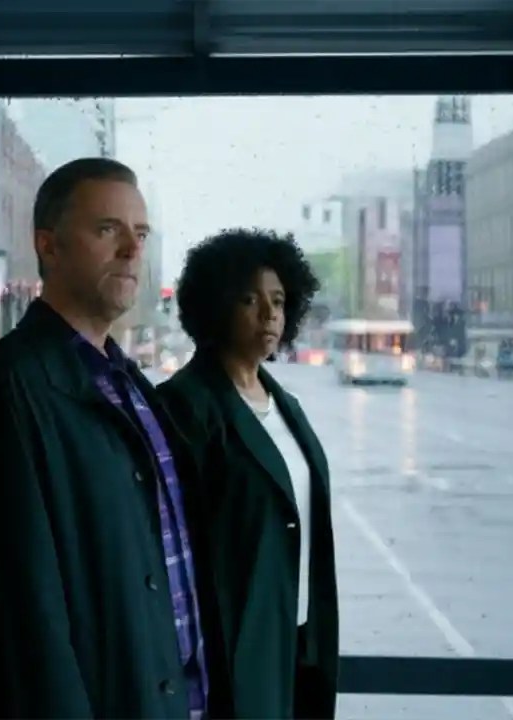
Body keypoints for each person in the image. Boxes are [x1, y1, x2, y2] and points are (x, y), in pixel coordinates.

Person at [0, 158, 226, 718]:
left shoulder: (130, 385)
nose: (131, 250)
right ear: (49, 245)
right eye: (106, 230)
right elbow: (21, 621)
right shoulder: (3, 392)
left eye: (138, 234)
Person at [158, 228, 339, 718]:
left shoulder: (286, 406)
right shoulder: (185, 406)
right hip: (228, 643)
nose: (269, 313)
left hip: (299, 634)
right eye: (249, 299)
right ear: (216, 307)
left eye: (279, 300)